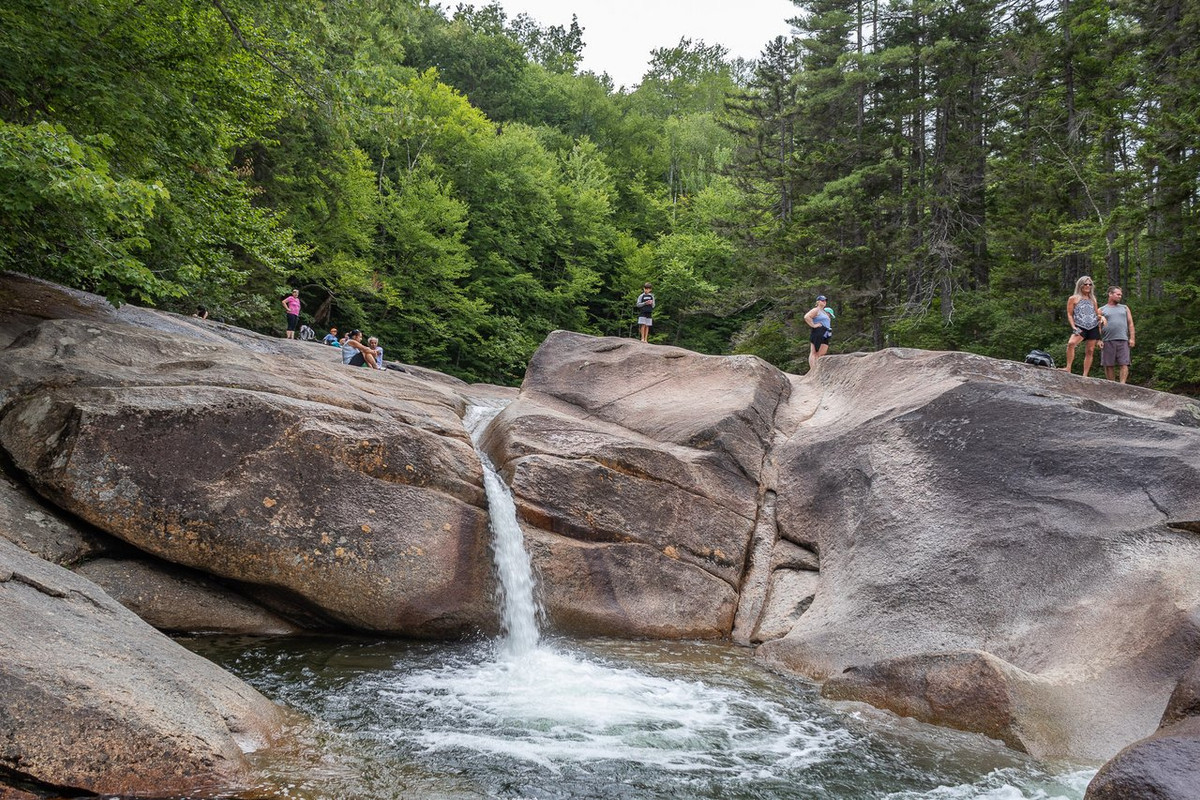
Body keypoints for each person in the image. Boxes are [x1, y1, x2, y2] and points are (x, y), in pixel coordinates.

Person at [1063, 276, 1101, 376]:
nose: (1088, 286)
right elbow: (1069, 314)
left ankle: (1085, 374)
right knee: (1071, 343)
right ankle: (1068, 367)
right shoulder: (1073, 298)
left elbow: (1097, 313)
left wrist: (1102, 317)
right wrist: (1073, 326)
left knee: (1090, 350)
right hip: (1080, 325)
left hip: (1093, 326)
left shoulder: (1093, 299)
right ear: (1080, 285)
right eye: (1085, 284)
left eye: (1090, 284)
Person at [1099, 286, 1135, 383]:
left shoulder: (1124, 308)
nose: (1120, 296)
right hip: (1107, 340)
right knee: (1109, 364)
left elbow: (1130, 323)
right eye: (1118, 294)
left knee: (1124, 363)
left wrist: (1132, 338)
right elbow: (1097, 327)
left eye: (1121, 295)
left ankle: (1122, 384)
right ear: (1110, 294)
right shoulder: (1102, 310)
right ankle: (1112, 384)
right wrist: (1098, 340)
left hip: (1123, 339)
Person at [803, 295, 833, 370]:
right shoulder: (816, 310)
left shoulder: (824, 312)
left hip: (826, 331)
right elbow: (807, 317)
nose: (824, 302)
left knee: (822, 352)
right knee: (814, 352)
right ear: (818, 302)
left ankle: (817, 368)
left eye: (825, 301)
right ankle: (813, 369)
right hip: (818, 331)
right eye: (822, 300)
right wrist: (813, 325)